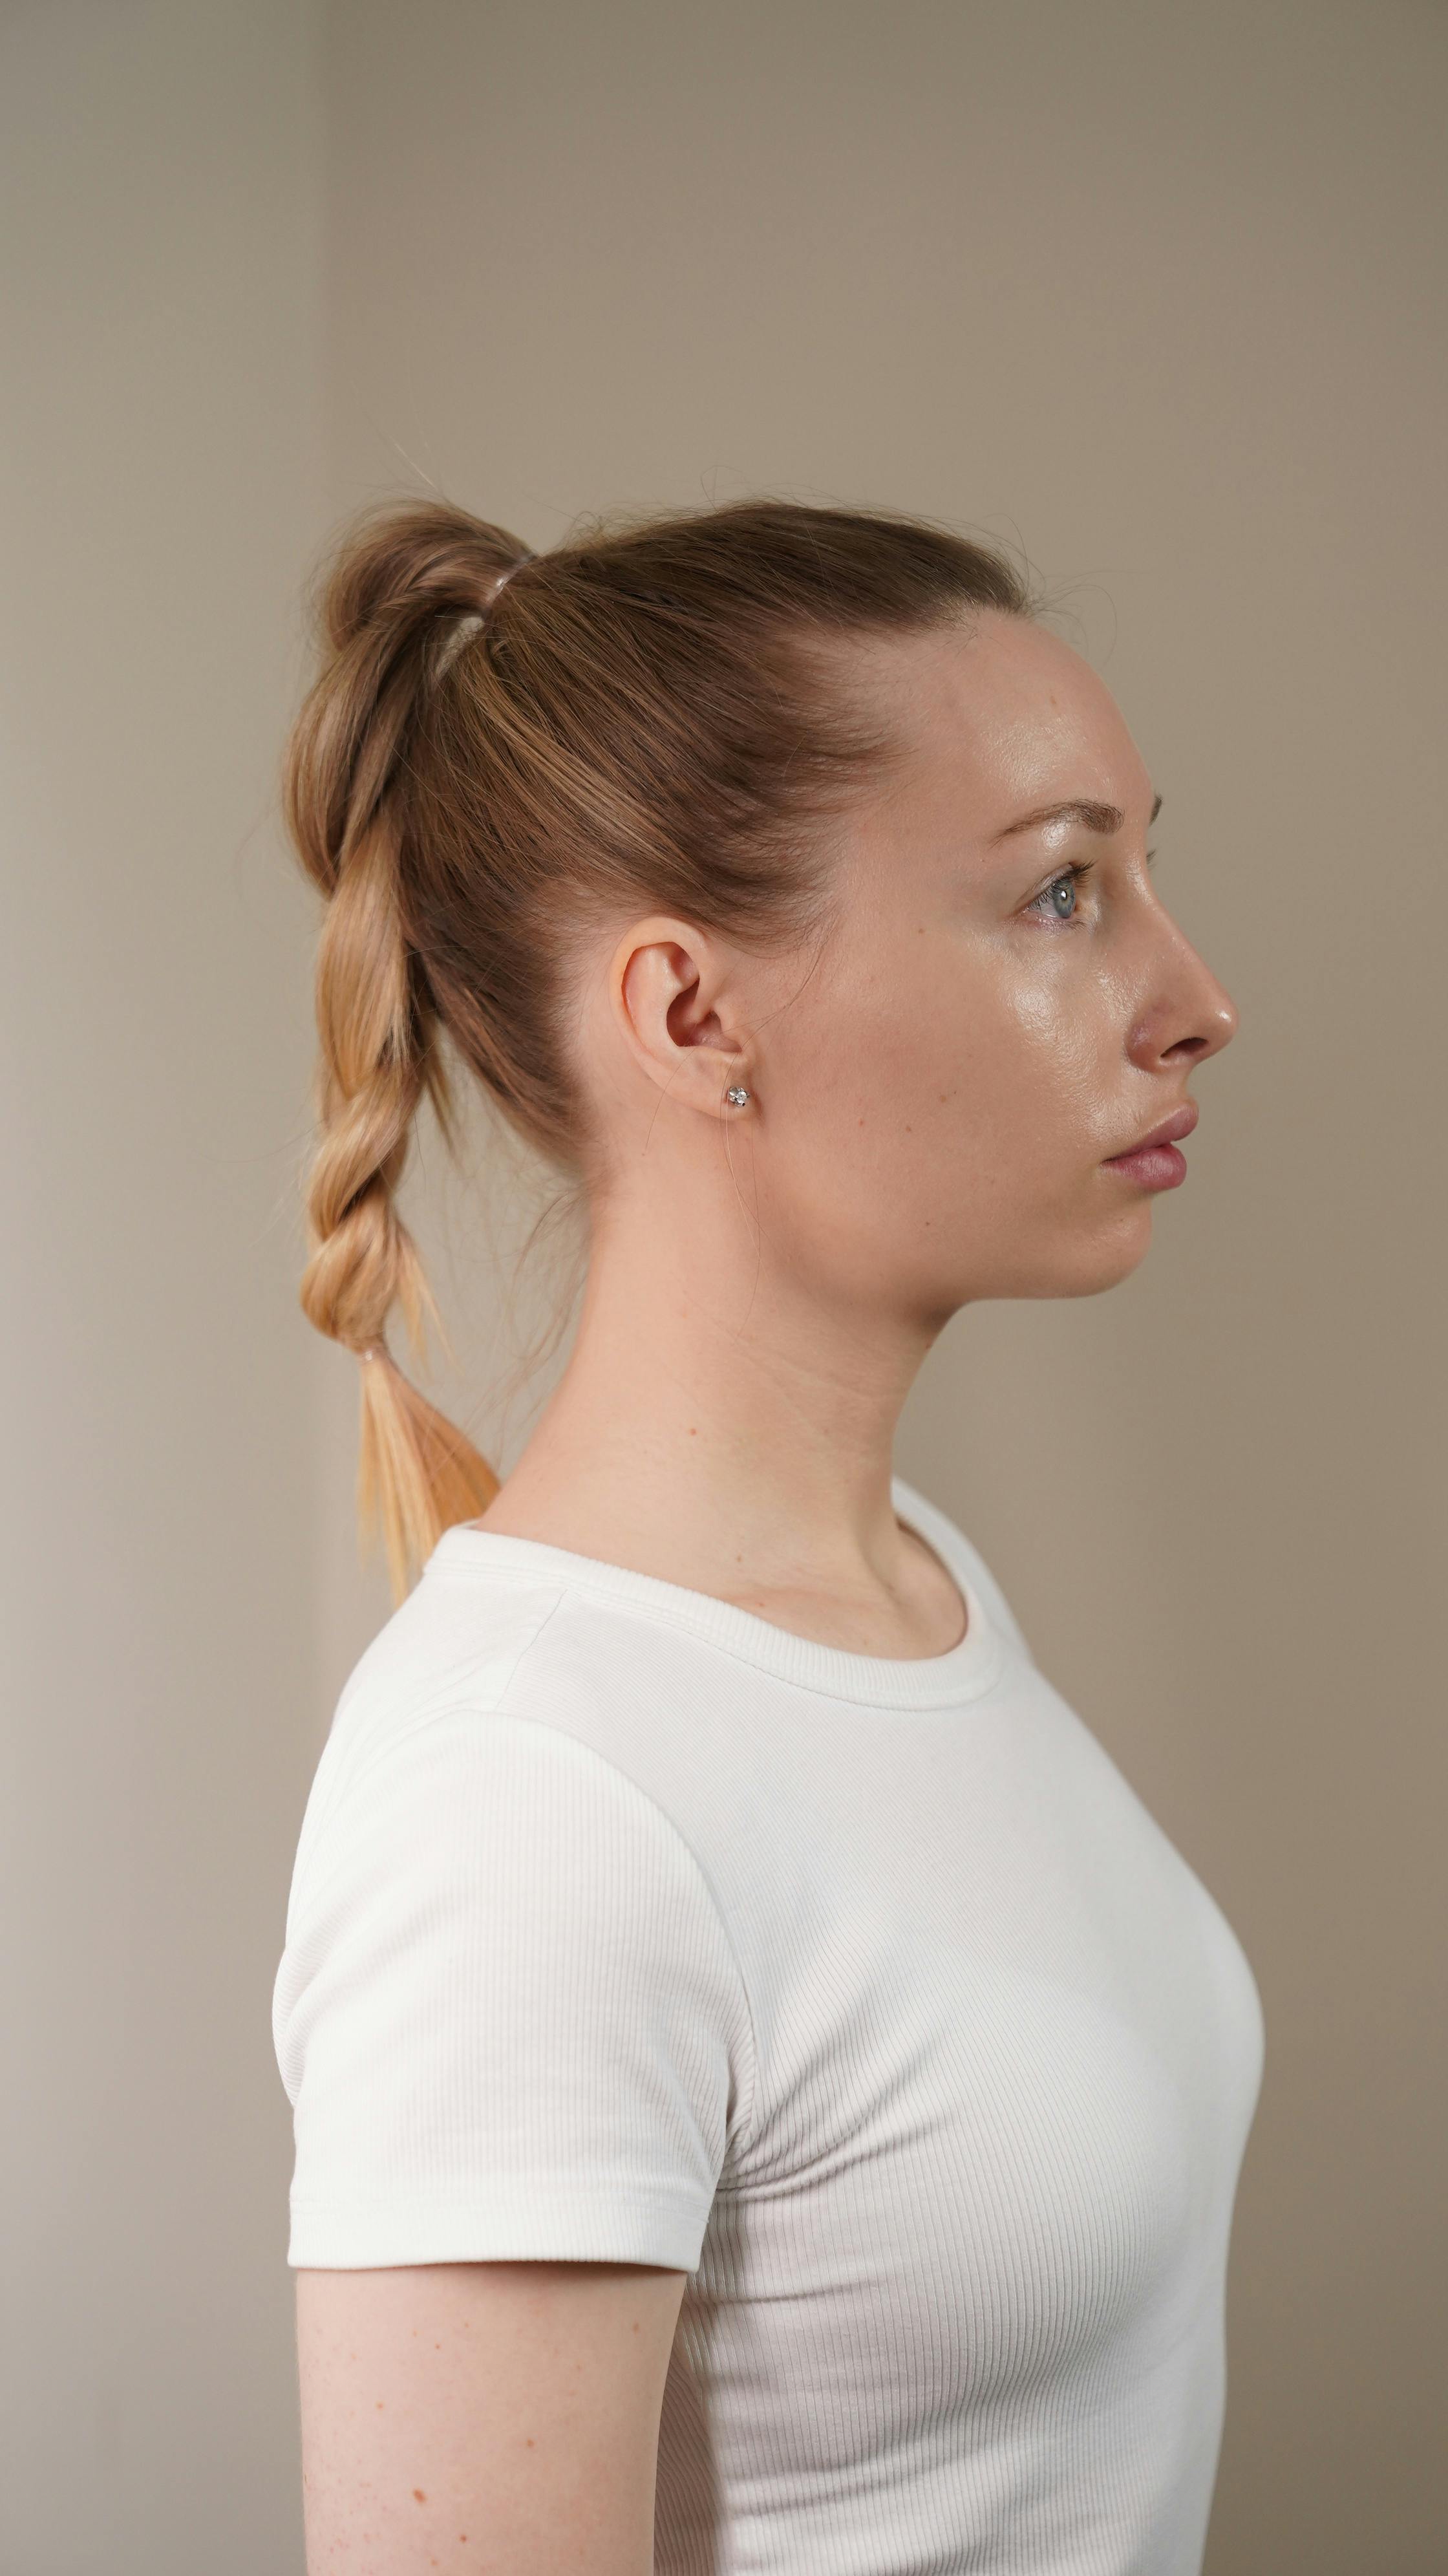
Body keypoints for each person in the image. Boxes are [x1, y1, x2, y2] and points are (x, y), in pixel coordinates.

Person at [270, 494, 1263, 2576]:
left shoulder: (912, 1588)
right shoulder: (532, 1793)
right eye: (1065, 895)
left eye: (1142, 871)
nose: (1194, 1000)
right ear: (693, 1018)